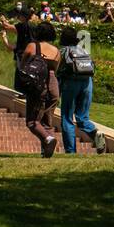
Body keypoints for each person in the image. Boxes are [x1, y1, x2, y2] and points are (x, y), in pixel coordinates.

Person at [57, 26, 106, 154]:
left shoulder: (63, 51)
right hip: (87, 83)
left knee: (67, 118)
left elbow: (57, 70)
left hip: (70, 84)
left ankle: (71, 151)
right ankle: (95, 133)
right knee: (82, 117)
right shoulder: (83, 51)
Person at [19, 21, 62, 157]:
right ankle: (46, 151)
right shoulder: (56, 51)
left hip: (38, 85)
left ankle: (48, 139)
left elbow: (23, 64)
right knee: (47, 121)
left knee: (32, 121)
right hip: (53, 85)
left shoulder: (32, 46)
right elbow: (55, 69)